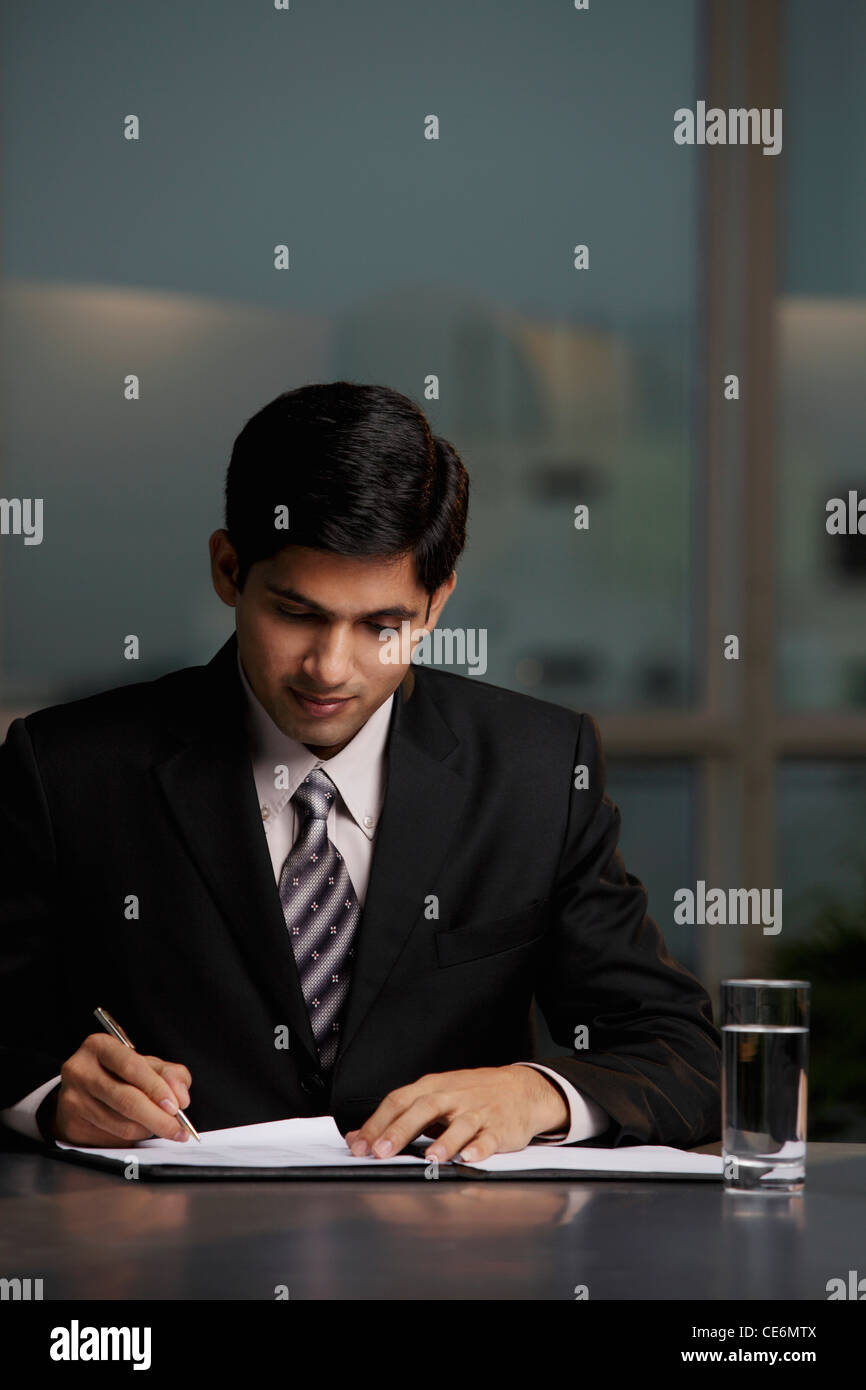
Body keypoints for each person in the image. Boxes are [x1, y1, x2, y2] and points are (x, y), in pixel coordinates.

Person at [0, 381, 720, 1163]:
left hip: (446, 1268)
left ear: (437, 604)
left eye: (382, 625)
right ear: (228, 567)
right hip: (168, 1265)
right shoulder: (68, 770)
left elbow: (684, 1054)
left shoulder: (540, 771)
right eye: (297, 614)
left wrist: (537, 1093)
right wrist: (53, 1103)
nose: (329, 669)